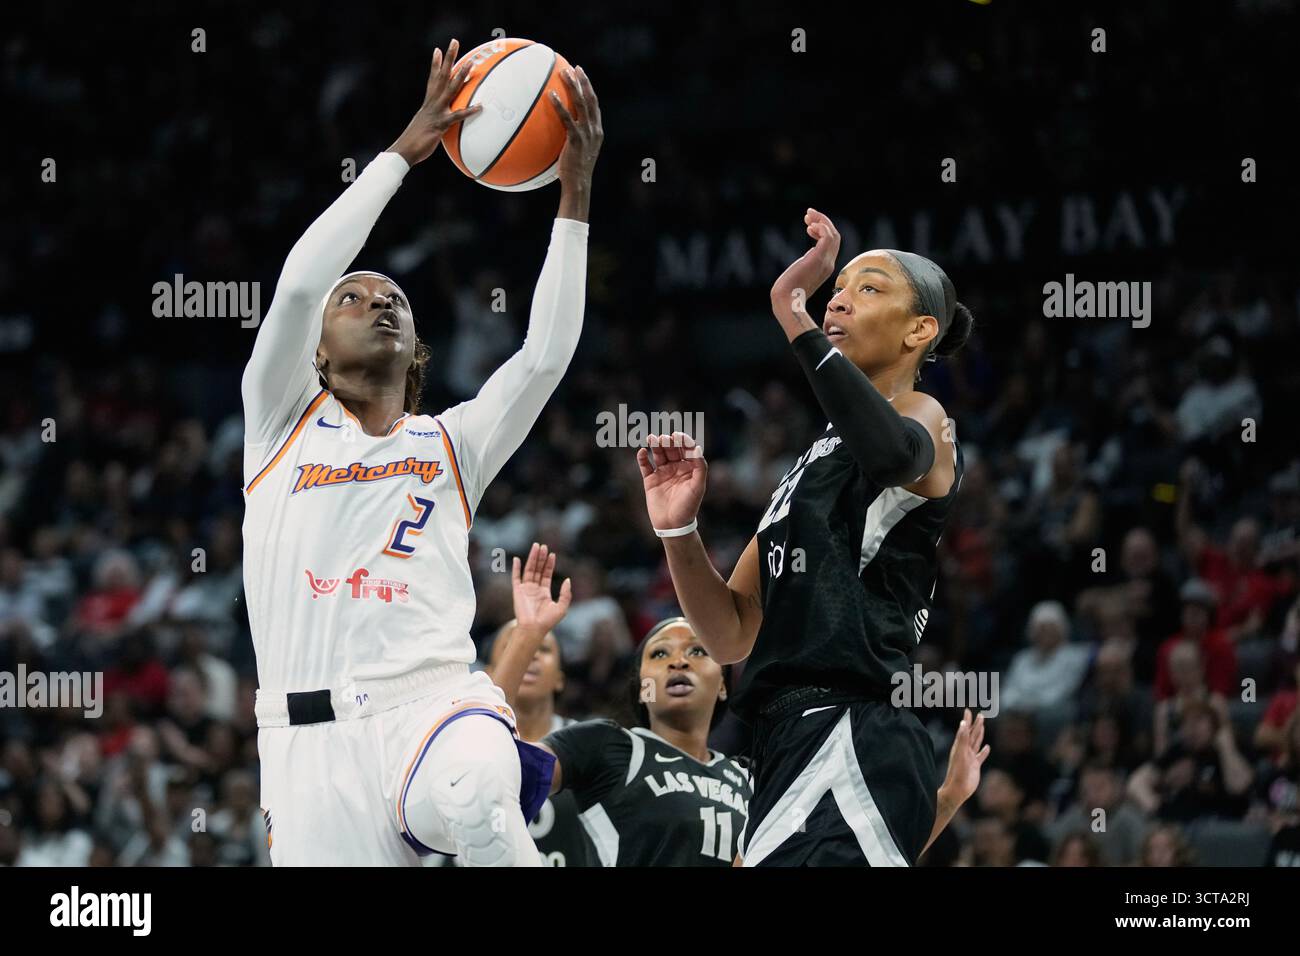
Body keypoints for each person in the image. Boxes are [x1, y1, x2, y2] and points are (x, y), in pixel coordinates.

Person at [240, 40, 603, 865]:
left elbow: (544, 358)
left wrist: (573, 196)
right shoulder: (276, 424)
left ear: (417, 350)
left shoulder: (451, 445)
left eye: (394, 297)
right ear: (316, 355)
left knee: (479, 795)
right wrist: (405, 153)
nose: (378, 302)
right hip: (306, 753)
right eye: (356, 298)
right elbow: (299, 284)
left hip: (434, 705)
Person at [634, 209, 976, 864]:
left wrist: (793, 312)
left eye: (869, 287)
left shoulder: (922, 417)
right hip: (781, 744)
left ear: (920, 331)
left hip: (854, 728)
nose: (840, 298)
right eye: (837, 288)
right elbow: (731, 632)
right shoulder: (813, 463)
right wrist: (677, 528)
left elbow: (893, 454)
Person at [495, 545, 991, 866]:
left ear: (726, 683)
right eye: (659, 655)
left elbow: (852, 849)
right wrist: (529, 635)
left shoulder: (759, 774)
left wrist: (947, 798)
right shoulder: (607, 746)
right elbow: (491, 767)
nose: (679, 663)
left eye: (697, 651)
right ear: (640, 684)